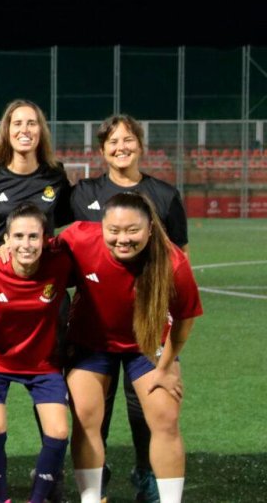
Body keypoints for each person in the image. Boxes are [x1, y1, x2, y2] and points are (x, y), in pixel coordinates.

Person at [69, 114, 189, 501]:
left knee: (154, 412)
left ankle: (150, 476)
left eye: (128, 139)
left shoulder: (165, 197)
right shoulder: (82, 194)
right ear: (101, 150)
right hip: (95, 327)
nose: (121, 147)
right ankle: (94, 488)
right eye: (112, 142)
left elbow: (181, 286)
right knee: (89, 414)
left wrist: (169, 362)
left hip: (147, 329)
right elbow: (49, 245)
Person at [56, 193, 202, 503]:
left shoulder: (172, 261)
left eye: (133, 230)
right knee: (85, 415)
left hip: (147, 345)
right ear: (102, 227)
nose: (123, 239)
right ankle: (91, 497)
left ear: (150, 229)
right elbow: (38, 257)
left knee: (165, 417)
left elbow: (185, 320)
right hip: (90, 343)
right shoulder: (79, 238)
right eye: (114, 230)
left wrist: (167, 367)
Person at [0, 204, 73, 503]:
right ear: (6, 239)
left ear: (45, 239)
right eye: (19, 236)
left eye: (33, 237)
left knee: (59, 433)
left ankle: (36, 499)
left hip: (42, 363)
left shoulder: (61, 264)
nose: (26, 244)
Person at [0, 100, 72, 250]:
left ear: (40, 130)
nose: (25, 129)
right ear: (7, 130)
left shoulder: (55, 176)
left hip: (44, 269)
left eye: (31, 123)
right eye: (17, 123)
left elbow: (65, 216)